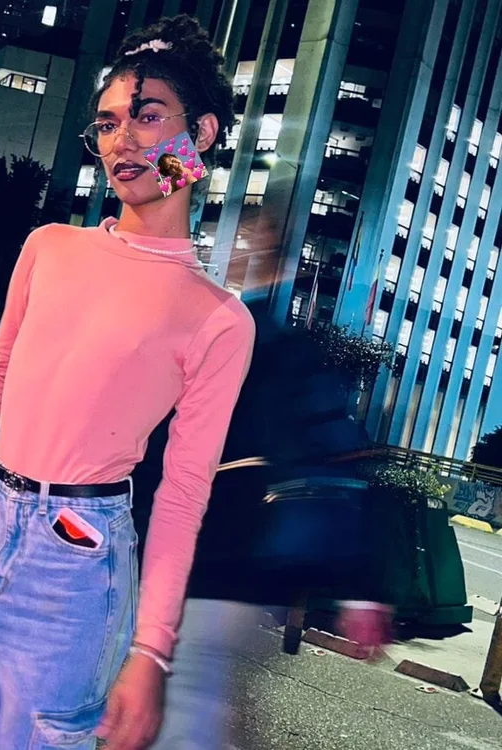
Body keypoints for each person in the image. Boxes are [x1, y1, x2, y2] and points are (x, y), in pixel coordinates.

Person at [0, 15, 255, 750]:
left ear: (201, 133)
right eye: (107, 123)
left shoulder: (217, 319)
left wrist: (151, 653)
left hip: (79, 560)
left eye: (147, 116)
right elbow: (1, 363)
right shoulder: (51, 247)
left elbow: (183, 493)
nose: (122, 141)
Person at [132, 209, 394, 749]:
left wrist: (361, 588)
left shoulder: (261, 346)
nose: (238, 252)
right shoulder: (248, 341)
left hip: (219, 567)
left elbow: (326, 451)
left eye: (250, 242)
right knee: (194, 709)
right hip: (213, 567)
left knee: (182, 711)